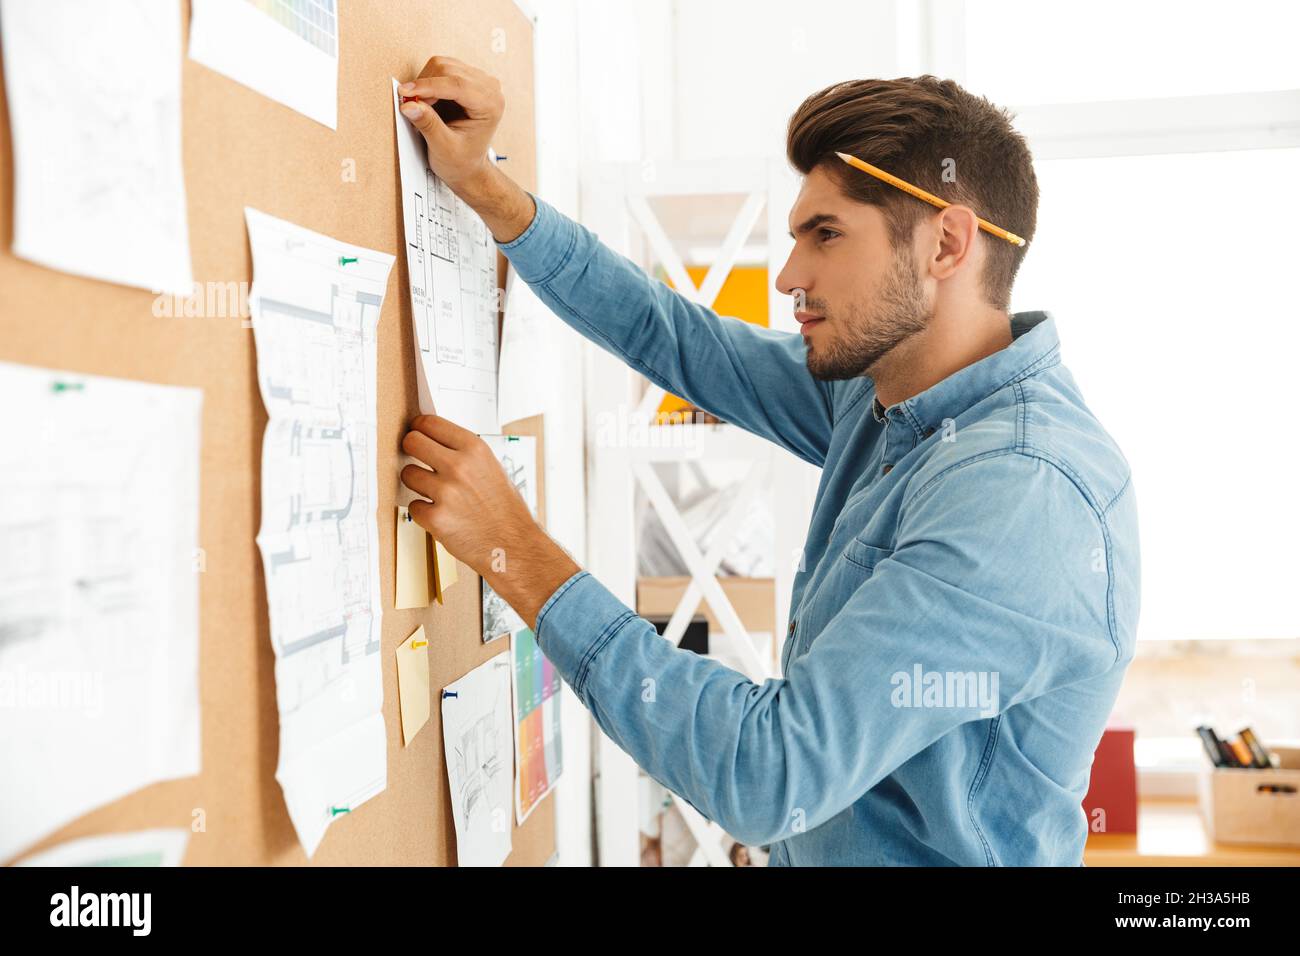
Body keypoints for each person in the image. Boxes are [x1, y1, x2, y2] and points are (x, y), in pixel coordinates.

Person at [397, 56, 1140, 866]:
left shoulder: (1021, 494)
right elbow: (676, 339)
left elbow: (771, 771)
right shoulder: (885, 391)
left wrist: (518, 552)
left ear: (946, 244)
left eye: (826, 235)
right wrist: (486, 188)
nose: (790, 276)